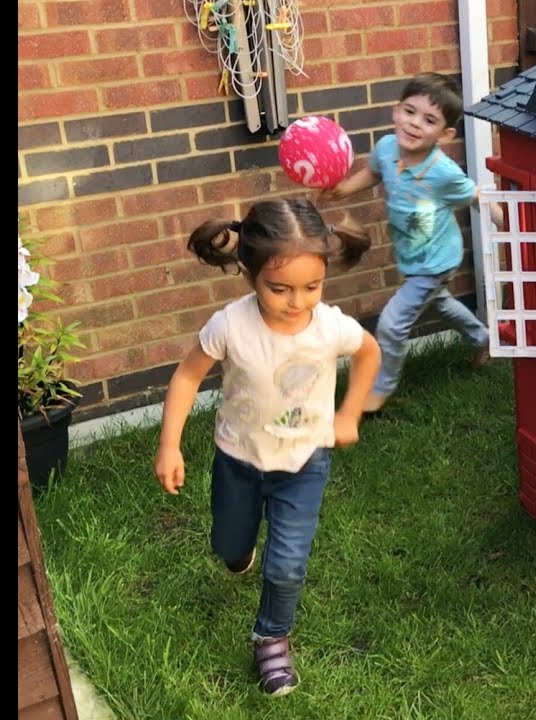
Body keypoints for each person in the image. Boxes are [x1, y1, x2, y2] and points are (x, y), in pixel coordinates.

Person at [152, 198, 381, 697]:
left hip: (304, 462)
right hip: (239, 458)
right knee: (229, 548)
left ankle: (272, 636)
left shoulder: (330, 326)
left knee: (288, 564)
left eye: (311, 287)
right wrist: (170, 446)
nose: (298, 301)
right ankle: (240, 550)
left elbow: (369, 352)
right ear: (249, 275)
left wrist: (349, 413)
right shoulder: (231, 326)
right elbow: (187, 377)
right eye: (280, 289)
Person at [318, 71, 504, 414]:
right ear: (396, 110)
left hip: (437, 261)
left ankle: (380, 389)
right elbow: (374, 173)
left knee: (392, 323)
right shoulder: (387, 148)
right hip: (412, 257)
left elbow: (475, 194)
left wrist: (507, 223)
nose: (415, 123)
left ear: (445, 134)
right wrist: (342, 190)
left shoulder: (443, 172)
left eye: (429, 120)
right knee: (442, 304)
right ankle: (487, 341)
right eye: (410, 111)